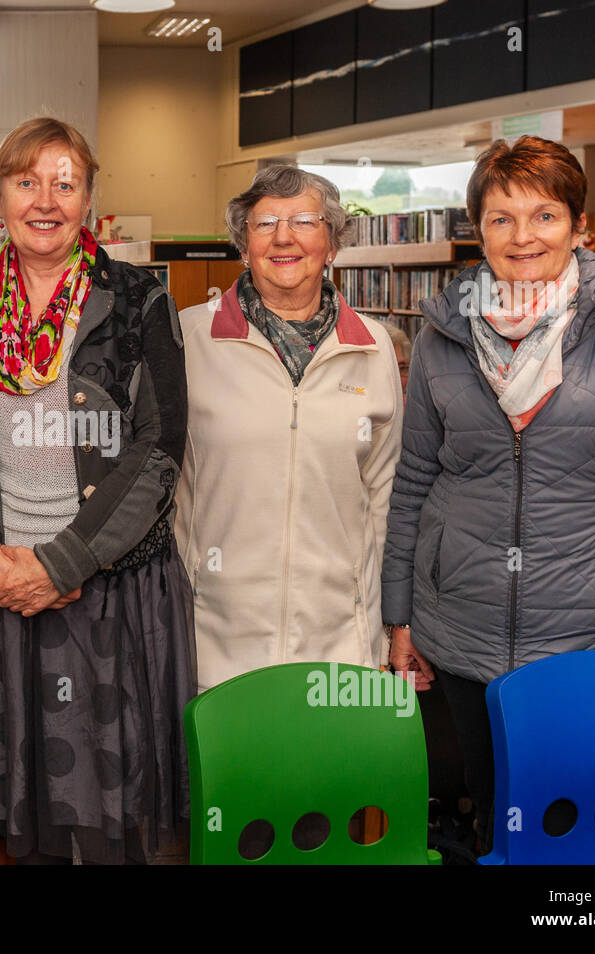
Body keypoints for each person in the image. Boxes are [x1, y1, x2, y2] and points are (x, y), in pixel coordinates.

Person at [382, 135, 595, 854]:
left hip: (593, 634)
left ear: (579, 227)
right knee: (496, 815)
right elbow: (412, 481)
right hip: (465, 632)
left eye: (544, 216)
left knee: (583, 829)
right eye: (501, 218)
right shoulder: (445, 335)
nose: (522, 236)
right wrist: (399, 614)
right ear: (479, 230)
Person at [0, 117, 195, 865]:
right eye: (26, 182)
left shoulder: (141, 302)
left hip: (110, 589)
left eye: (64, 182)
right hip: (5, 589)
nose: (44, 200)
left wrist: (65, 564)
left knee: (113, 819)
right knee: (34, 818)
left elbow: (160, 449)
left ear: (89, 200)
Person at [174, 165, 403, 692]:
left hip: (341, 641)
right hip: (216, 637)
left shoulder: (372, 346)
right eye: (265, 223)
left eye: (303, 220)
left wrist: (393, 621)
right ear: (243, 245)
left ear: (332, 241)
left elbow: (385, 494)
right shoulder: (188, 337)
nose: (283, 236)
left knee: (329, 776)